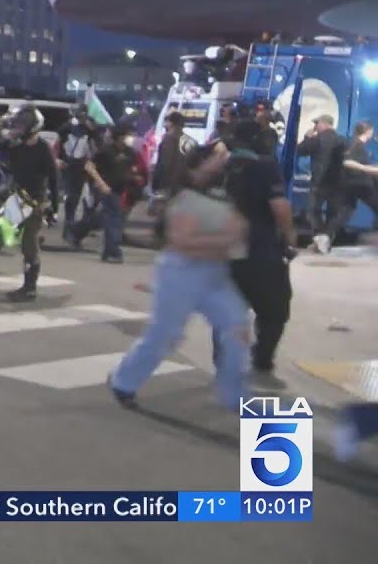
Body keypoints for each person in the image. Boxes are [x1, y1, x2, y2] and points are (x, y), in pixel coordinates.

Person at [110, 144, 248, 411]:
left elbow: (238, 233)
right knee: (165, 335)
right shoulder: (184, 196)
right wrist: (225, 240)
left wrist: (226, 241)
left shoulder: (224, 193)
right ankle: (123, 382)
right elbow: (184, 242)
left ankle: (234, 395)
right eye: (217, 155)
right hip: (181, 273)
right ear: (199, 163)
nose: (224, 158)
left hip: (215, 274)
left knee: (237, 328)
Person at [224, 118, 296, 390]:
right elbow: (279, 206)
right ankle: (262, 360)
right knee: (275, 310)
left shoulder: (224, 165)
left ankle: (225, 363)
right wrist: (290, 239)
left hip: (224, 250)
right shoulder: (264, 166)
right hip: (260, 250)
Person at [0, 105, 60, 301]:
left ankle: (29, 287)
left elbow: (55, 180)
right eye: (17, 125)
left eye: (23, 125)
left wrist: (53, 209)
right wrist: (6, 139)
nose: (19, 128)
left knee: (28, 246)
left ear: (33, 127)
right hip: (12, 192)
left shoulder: (43, 149)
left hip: (33, 201)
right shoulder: (15, 144)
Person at [69, 123, 138, 263]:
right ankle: (113, 251)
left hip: (120, 190)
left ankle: (77, 231)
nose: (131, 138)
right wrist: (101, 183)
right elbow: (89, 166)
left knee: (101, 218)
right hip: (105, 188)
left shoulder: (130, 153)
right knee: (114, 218)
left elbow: (128, 169)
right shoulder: (106, 151)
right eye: (128, 135)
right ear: (119, 137)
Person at [297, 114, 347, 253]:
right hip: (337, 183)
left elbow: (300, 150)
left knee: (313, 211)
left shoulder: (317, 139)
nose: (315, 127)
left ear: (325, 124)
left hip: (319, 182)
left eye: (317, 123)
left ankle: (320, 237)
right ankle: (326, 239)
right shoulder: (342, 140)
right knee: (333, 213)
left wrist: (307, 137)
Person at [59, 105, 97, 235]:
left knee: (80, 198)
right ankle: (68, 227)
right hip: (69, 165)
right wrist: (60, 159)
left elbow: (94, 146)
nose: (82, 117)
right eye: (80, 115)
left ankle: (71, 227)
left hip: (82, 167)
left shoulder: (88, 129)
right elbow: (58, 143)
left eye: (84, 115)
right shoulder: (68, 128)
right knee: (72, 197)